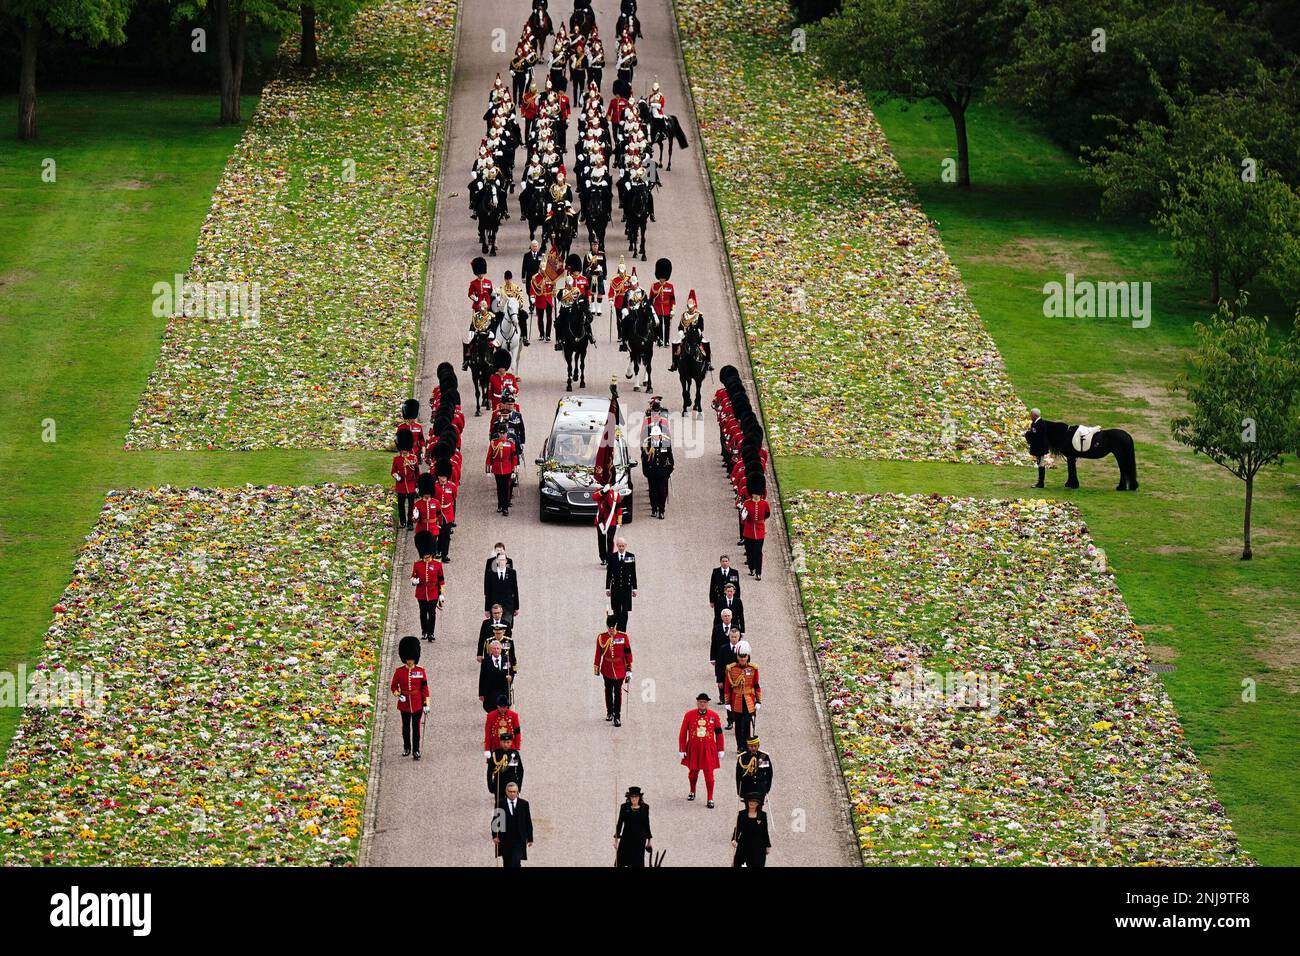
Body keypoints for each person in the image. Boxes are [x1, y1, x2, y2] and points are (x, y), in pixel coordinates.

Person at [678, 692, 726, 808]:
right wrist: (682, 748)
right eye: (700, 702)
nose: (702, 704)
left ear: (707, 703)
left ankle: (710, 798)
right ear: (697, 703)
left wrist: (720, 749)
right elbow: (683, 732)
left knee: (709, 774)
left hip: (708, 748)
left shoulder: (714, 716)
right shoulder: (689, 715)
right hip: (694, 748)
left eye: (704, 702)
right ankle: (692, 791)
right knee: (693, 772)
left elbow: (719, 733)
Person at [390, 635, 429, 759]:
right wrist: (398, 694)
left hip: (417, 702)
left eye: (412, 659)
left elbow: (424, 688)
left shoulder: (420, 671)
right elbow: (393, 686)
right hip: (404, 703)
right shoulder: (399, 671)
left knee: (416, 728)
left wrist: (427, 703)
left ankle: (416, 750)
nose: (410, 661)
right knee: (405, 727)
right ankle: (407, 747)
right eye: (408, 659)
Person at [594, 613, 632, 726]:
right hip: (606, 669)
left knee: (618, 692)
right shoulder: (602, 637)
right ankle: (609, 712)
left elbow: (628, 654)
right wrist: (597, 666)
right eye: (609, 627)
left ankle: (617, 716)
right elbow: (598, 653)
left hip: (620, 669)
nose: (611, 630)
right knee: (608, 691)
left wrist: (629, 671)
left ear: (616, 626)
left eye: (613, 627)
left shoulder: (623, 637)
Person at [723, 640, 761, 752]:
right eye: (740, 657)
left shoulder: (753, 668)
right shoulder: (731, 669)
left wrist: (758, 701)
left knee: (747, 724)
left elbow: (756, 685)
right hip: (736, 700)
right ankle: (739, 745)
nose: (742, 659)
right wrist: (727, 702)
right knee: (738, 725)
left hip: (749, 699)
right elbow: (727, 687)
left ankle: (747, 745)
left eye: (744, 657)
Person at [411, 530, 446, 642]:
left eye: (427, 553)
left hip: (433, 592)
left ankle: (431, 633)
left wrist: (441, 594)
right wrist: (414, 581)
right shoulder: (417, 564)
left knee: (432, 613)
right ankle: (424, 631)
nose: (426, 555)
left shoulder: (437, 564)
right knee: (423, 612)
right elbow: (413, 576)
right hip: (421, 592)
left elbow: (441, 580)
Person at [492, 781, 534, 867]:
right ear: (506, 792)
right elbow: (495, 821)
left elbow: (528, 821)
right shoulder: (500, 803)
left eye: (514, 792)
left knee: (515, 861)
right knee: (507, 862)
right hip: (505, 839)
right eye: (510, 791)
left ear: (517, 792)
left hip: (519, 839)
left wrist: (530, 838)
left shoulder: (524, 804)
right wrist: (494, 836)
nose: (512, 794)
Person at [641, 424, 674, 519]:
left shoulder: (665, 444)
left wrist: (669, 470)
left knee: (662, 492)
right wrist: (646, 472)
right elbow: (644, 460)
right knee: (652, 492)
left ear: (660, 436)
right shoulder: (647, 445)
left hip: (662, 472)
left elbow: (670, 458)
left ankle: (661, 510)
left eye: (657, 435)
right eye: (653, 436)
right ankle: (654, 509)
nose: (655, 437)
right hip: (652, 472)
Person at [740, 479, 771, 580]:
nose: (755, 495)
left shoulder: (764, 504)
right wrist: (743, 517)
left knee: (758, 551)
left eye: (756, 493)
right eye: (753, 493)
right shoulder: (747, 503)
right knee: (749, 551)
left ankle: (758, 572)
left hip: (760, 530)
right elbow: (743, 518)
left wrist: (761, 522)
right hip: (748, 530)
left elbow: (767, 514)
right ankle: (751, 568)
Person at [613, 787, 652, 867]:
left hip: (640, 840)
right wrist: (616, 839)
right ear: (629, 798)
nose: (634, 799)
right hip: (626, 839)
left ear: (639, 797)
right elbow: (620, 823)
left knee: (637, 863)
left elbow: (647, 824)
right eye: (632, 797)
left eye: (636, 797)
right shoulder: (624, 807)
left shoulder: (645, 808)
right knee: (620, 862)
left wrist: (649, 841)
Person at [605, 536, 637, 630]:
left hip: (626, 589)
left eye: (623, 546)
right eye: (619, 546)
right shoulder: (612, 557)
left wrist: (634, 588)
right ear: (617, 546)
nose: (621, 548)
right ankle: (617, 630)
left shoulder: (631, 557)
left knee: (625, 612)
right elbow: (609, 574)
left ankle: (622, 631)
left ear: (626, 545)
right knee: (616, 611)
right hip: (615, 589)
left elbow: (633, 573)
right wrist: (607, 588)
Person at [731, 793, 770, 867]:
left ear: (758, 804)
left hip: (758, 845)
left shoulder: (762, 815)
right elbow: (738, 828)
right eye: (750, 801)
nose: (752, 803)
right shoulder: (742, 814)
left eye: (754, 801)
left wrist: (767, 845)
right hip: (744, 844)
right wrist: (734, 839)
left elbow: (765, 831)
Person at [391, 428, 420, 529]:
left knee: (411, 505)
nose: (403, 451)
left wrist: (417, 485)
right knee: (401, 505)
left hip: (411, 484)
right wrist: (397, 477)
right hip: (401, 485)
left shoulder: (413, 458)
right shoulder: (397, 459)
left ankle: (410, 522)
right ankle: (402, 521)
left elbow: (417, 472)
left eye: (405, 449)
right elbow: (393, 471)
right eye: (402, 449)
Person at [486, 428, 519, 516]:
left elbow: (514, 457)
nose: (502, 435)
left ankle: (505, 508)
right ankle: (500, 505)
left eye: (503, 433)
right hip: (497, 468)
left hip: (507, 468)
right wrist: (488, 470)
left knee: (506, 488)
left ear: (506, 433)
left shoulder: (510, 443)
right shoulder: (494, 443)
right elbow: (489, 456)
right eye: (500, 433)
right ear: (498, 433)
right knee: (499, 488)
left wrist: (514, 470)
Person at [484, 553, 520, 626]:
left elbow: (515, 590)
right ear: (497, 561)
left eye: (503, 559)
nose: (501, 561)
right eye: (500, 559)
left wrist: (516, 607)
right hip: (495, 607)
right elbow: (488, 592)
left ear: (506, 561)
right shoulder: (491, 573)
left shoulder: (512, 572)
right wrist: (487, 609)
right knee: (495, 630)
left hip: (508, 607)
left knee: (507, 630)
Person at [479, 639, 514, 713]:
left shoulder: (506, 660)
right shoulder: (486, 661)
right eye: (494, 648)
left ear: (501, 649)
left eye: (498, 648)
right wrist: (481, 693)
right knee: (491, 711)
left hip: (503, 690)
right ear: (491, 650)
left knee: (503, 711)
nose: (496, 650)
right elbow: (482, 678)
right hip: (490, 691)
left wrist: (510, 678)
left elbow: (511, 672)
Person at [487, 731, 524, 800]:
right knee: (499, 808)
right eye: (504, 742)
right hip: (499, 784)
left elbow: (520, 770)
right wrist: (490, 786)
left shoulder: (514, 754)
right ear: (500, 742)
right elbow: (490, 771)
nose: (506, 744)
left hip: (512, 784)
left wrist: (518, 785)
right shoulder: (495, 754)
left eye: (508, 742)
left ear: (511, 742)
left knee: (512, 807)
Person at [735, 736, 773, 803]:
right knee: (749, 809)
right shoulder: (743, 757)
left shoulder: (764, 756)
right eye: (751, 746)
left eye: (755, 746)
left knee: (759, 809)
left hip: (760, 788)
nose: (753, 748)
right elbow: (738, 775)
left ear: (758, 745)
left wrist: (767, 788)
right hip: (747, 788)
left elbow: (769, 774)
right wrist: (739, 791)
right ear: (748, 746)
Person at [593, 483, 623, 565]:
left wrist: (619, 521)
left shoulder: (616, 495)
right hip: (601, 520)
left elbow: (619, 508)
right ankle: (603, 558)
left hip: (612, 520)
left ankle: (610, 559)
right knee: (601, 539)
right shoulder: (600, 491)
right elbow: (594, 497)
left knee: (610, 540)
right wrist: (603, 491)